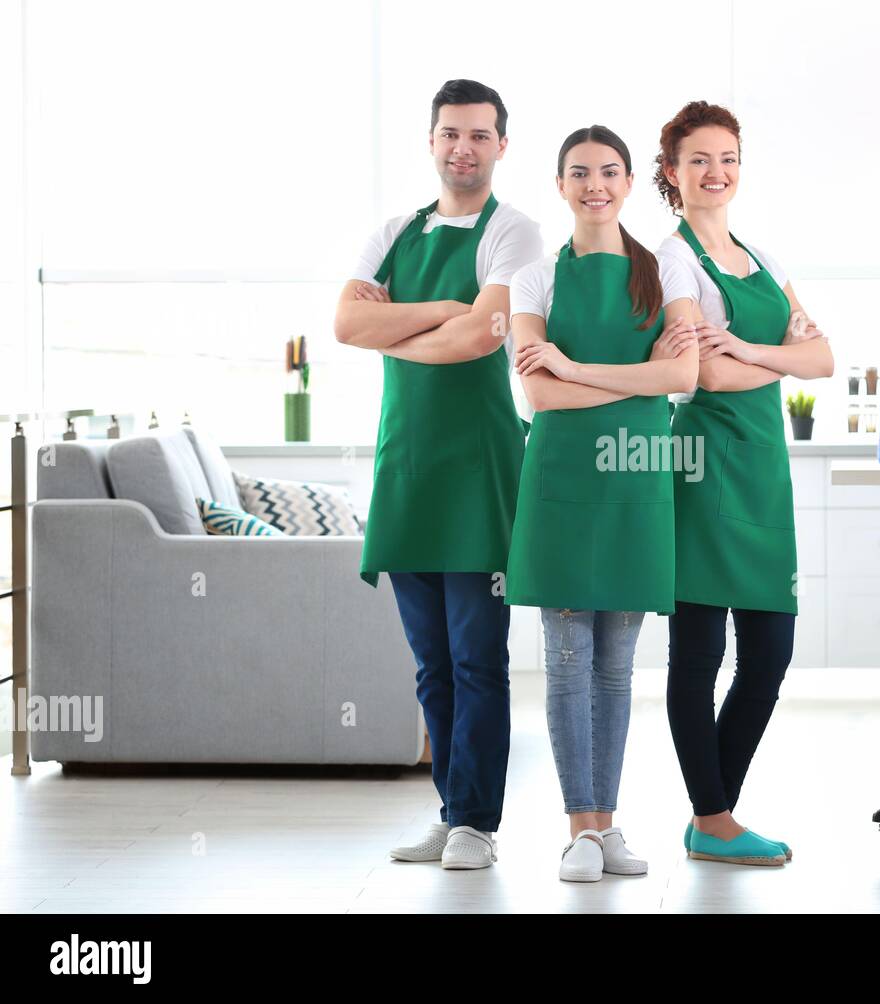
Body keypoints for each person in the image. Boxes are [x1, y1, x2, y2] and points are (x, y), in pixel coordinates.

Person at [334, 79, 542, 871]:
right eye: (451, 133)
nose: (463, 147)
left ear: (500, 146)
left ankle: (477, 826)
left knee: (477, 656)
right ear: (431, 140)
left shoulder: (514, 232)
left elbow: (481, 337)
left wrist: (400, 326)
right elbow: (348, 322)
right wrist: (440, 313)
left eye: (479, 135)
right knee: (430, 663)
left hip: (479, 472)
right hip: (409, 470)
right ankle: (451, 810)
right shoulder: (394, 230)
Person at [507, 125, 698, 882]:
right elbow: (537, 391)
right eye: (580, 173)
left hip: (636, 481)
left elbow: (682, 378)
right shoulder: (533, 278)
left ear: (627, 182)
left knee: (617, 669)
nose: (596, 185)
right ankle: (578, 831)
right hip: (561, 485)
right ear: (560, 185)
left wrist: (575, 364)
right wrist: (630, 374)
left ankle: (607, 827)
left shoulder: (667, 269)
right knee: (565, 664)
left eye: (610, 172)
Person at [653, 100, 834, 866]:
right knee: (698, 654)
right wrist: (770, 353)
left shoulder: (763, 257)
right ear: (671, 173)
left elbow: (824, 358)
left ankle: (710, 813)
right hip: (701, 465)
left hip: (762, 470)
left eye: (726, 157)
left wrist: (752, 353)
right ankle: (715, 816)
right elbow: (700, 372)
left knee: (769, 654)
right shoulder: (670, 256)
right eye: (698, 159)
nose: (715, 172)